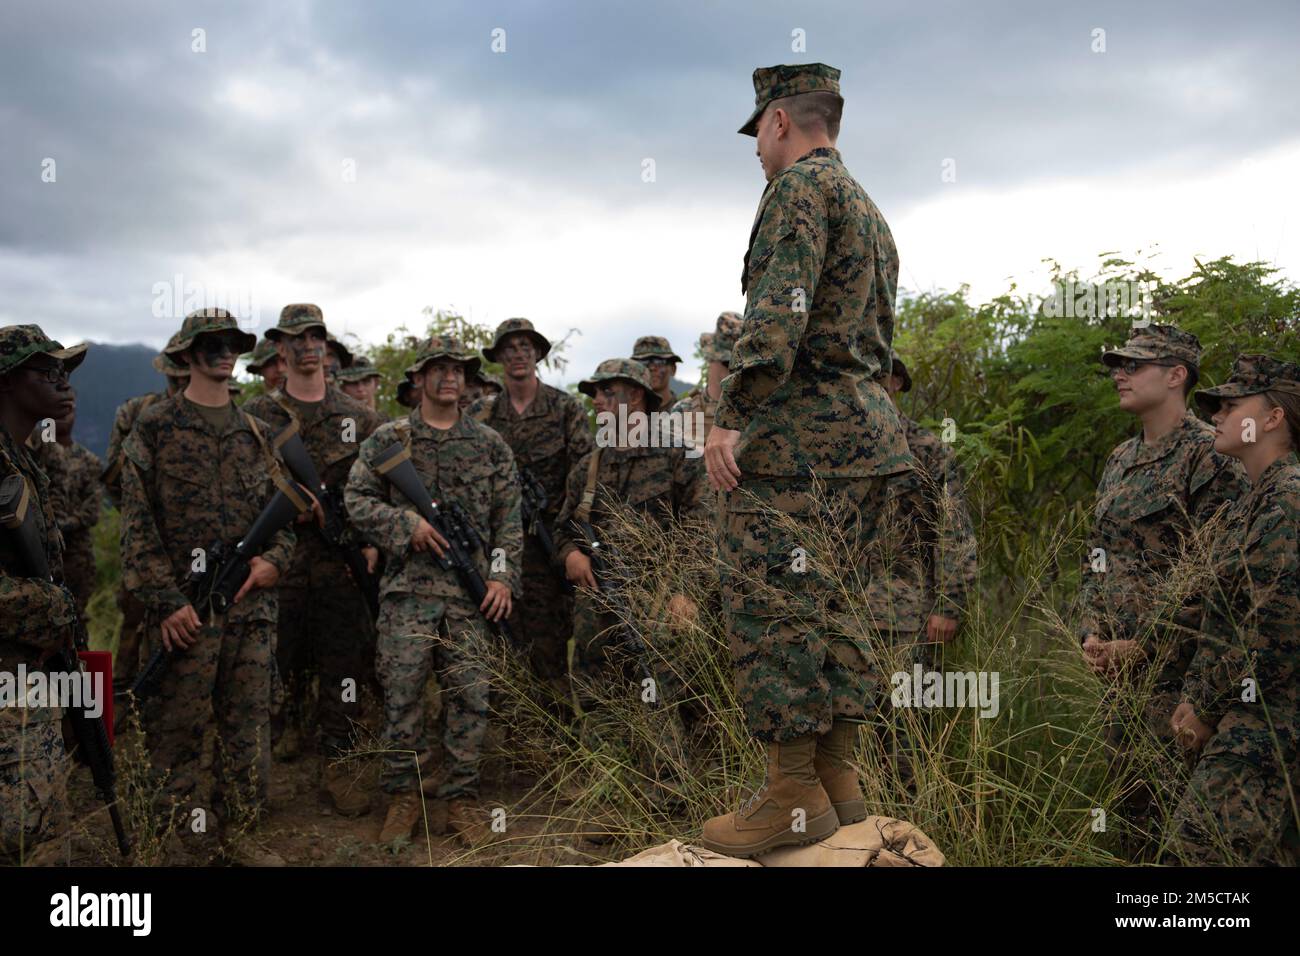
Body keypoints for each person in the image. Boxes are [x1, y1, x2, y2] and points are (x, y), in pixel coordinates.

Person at [701, 62, 917, 857]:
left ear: (781, 121)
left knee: (776, 605)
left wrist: (730, 417)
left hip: (800, 445)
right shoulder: (867, 206)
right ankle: (836, 778)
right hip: (867, 442)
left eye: (758, 133)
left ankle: (791, 792)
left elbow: (777, 319)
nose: (757, 150)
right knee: (839, 609)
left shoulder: (797, 190)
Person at [119, 308, 295, 865]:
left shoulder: (257, 433)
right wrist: (168, 603)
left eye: (231, 344)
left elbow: (286, 519)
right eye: (212, 345)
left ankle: (239, 835)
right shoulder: (155, 427)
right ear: (189, 354)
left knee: (247, 730)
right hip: (186, 614)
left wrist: (274, 563)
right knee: (175, 731)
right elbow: (136, 529)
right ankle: (172, 841)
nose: (224, 354)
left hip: (250, 611)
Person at [345, 336, 522, 846]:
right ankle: (404, 797)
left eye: (458, 370)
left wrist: (501, 577)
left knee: (471, 698)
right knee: (402, 696)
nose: (450, 378)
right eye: (439, 369)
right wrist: (406, 525)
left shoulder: (489, 444)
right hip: (408, 592)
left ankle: (461, 797)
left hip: (471, 597)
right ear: (419, 378)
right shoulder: (390, 440)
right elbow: (356, 499)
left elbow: (509, 521)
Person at [1082, 324, 1245, 857]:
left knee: (1183, 826)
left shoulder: (1210, 455)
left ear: (1177, 376)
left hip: (1182, 679)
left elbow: (1219, 576)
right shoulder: (1119, 459)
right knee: (1131, 813)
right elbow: (1097, 555)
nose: (1120, 375)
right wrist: (1090, 631)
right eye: (1117, 366)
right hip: (1116, 675)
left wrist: (1146, 646)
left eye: (1134, 365)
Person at [243, 304, 383, 815]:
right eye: (296, 338)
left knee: (343, 670)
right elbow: (243, 487)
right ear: (279, 348)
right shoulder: (257, 416)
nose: (307, 346)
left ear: (325, 345)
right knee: (265, 670)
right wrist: (290, 505)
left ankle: (340, 765)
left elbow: (379, 490)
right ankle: (250, 779)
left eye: (315, 336)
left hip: (340, 566)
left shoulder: (359, 418)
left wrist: (371, 543)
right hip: (277, 563)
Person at [1166, 354, 1300, 865]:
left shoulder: (1288, 500)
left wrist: (1205, 706)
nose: (1216, 416)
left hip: (1270, 725)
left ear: (1273, 418)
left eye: (1231, 405)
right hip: (1247, 717)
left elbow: (1276, 632)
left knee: (1194, 855)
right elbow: (1219, 617)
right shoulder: (1252, 501)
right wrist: (1196, 697)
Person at [0, 325, 86, 864]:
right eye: (47, 370)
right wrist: (51, 607)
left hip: (27, 675)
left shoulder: (22, 459)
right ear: (7, 381)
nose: (63, 382)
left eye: (65, 371)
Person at [468, 318, 593, 687]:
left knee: (549, 650)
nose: (518, 354)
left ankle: (553, 722)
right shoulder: (480, 414)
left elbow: (583, 479)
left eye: (526, 347)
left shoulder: (565, 408)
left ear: (538, 353)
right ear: (498, 357)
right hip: (495, 548)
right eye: (509, 348)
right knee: (499, 646)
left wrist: (573, 544)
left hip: (549, 546)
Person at [102, 338, 190, 687]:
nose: (180, 385)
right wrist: (140, 518)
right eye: (175, 378)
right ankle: (124, 699)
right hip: (144, 544)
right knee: (134, 624)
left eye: (186, 378)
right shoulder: (137, 413)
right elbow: (113, 478)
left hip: (196, 547)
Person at [882, 351, 978, 649]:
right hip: (843, 614)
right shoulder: (838, 446)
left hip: (907, 615)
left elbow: (954, 530)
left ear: (896, 381)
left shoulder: (927, 449)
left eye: (878, 373)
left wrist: (948, 605)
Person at [27, 391, 103, 616]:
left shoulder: (89, 461)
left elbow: (92, 510)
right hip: (38, 552)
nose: (61, 417)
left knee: (76, 617)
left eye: (68, 411)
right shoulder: (36, 450)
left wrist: (62, 525)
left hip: (75, 554)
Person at [631, 336, 683, 411]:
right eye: (644, 362)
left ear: (673, 369)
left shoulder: (688, 412)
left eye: (659, 361)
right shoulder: (624, 412)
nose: (652, 368)